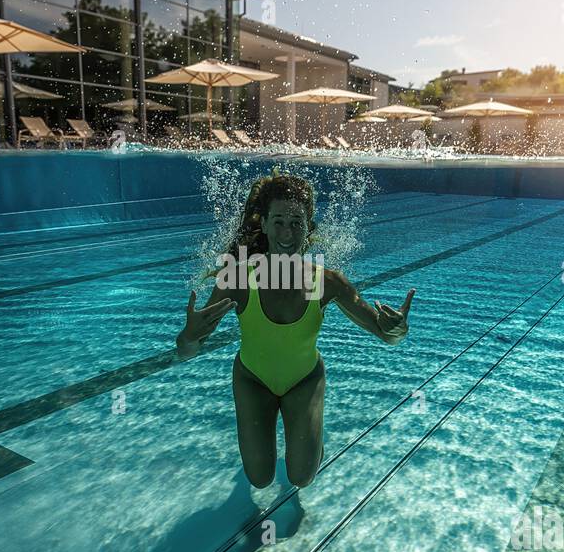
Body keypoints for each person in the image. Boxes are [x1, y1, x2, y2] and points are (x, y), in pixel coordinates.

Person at [176, 173, 414, 489]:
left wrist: (398, 329)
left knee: (302, 477)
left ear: (309, 227)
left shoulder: (329, 282)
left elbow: (387, 336)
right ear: (263, 224)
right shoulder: (236, 279)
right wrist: (189, 336)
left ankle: (311, 446)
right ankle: (295, 443)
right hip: (252, 381)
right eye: (278, 222)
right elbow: (185, 352)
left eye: (296, 223)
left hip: (304, 381)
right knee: (259, 479)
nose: (287, 233)